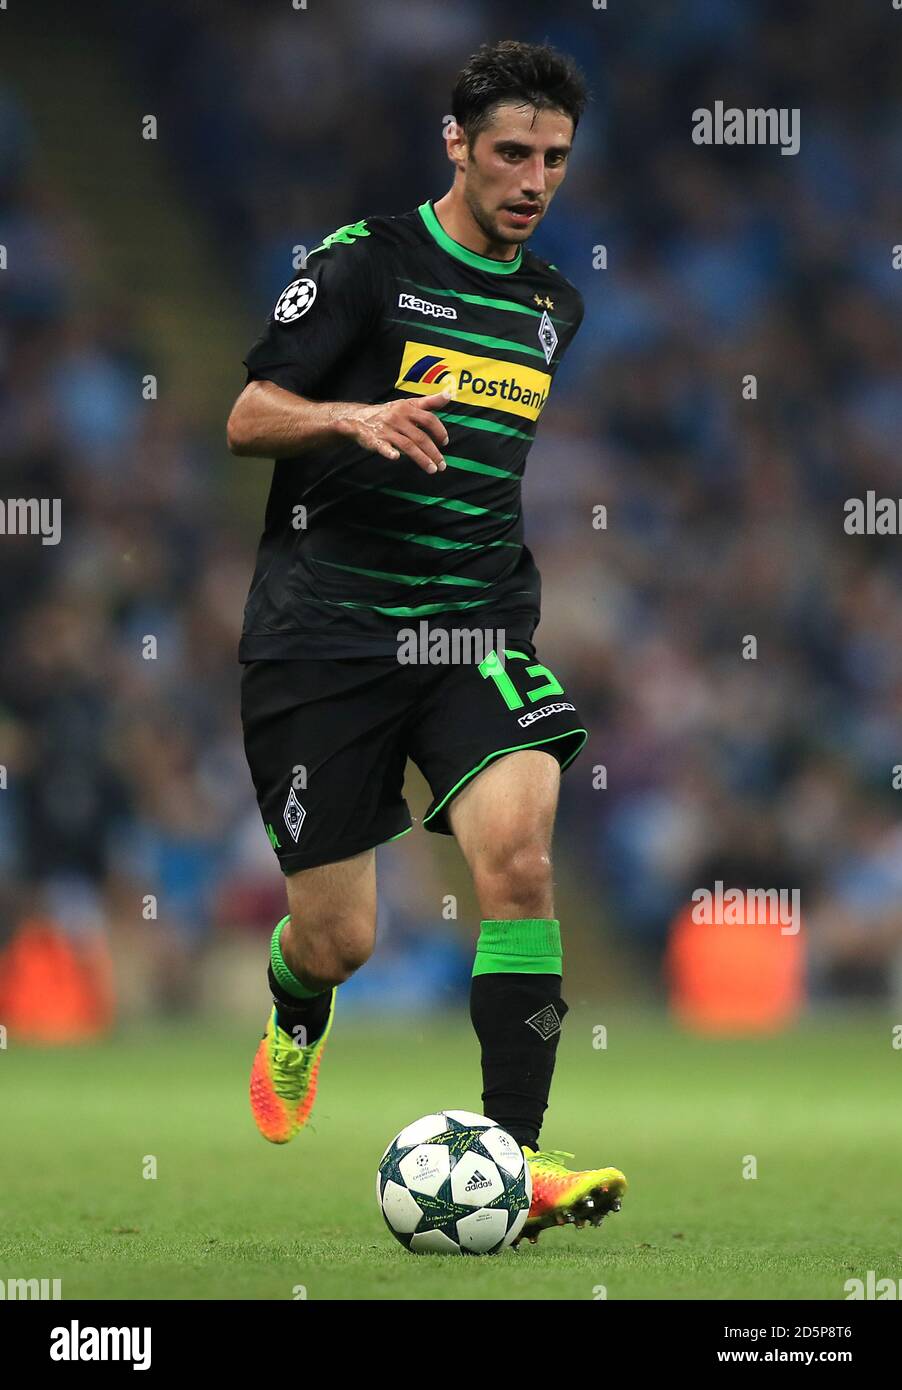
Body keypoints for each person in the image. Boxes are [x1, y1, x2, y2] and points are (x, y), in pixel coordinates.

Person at [228, 39, 626, 1244]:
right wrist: (350, 415)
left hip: (470, 627)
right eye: (511, 151)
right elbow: (248, 413)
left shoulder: (553, 303)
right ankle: (298, 1007)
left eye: (554, 157)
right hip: (324, 635)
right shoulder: (361, 266)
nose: (533, 177)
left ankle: (517, 1156)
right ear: (453, 145)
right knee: (340, 934)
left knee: (518, 859)